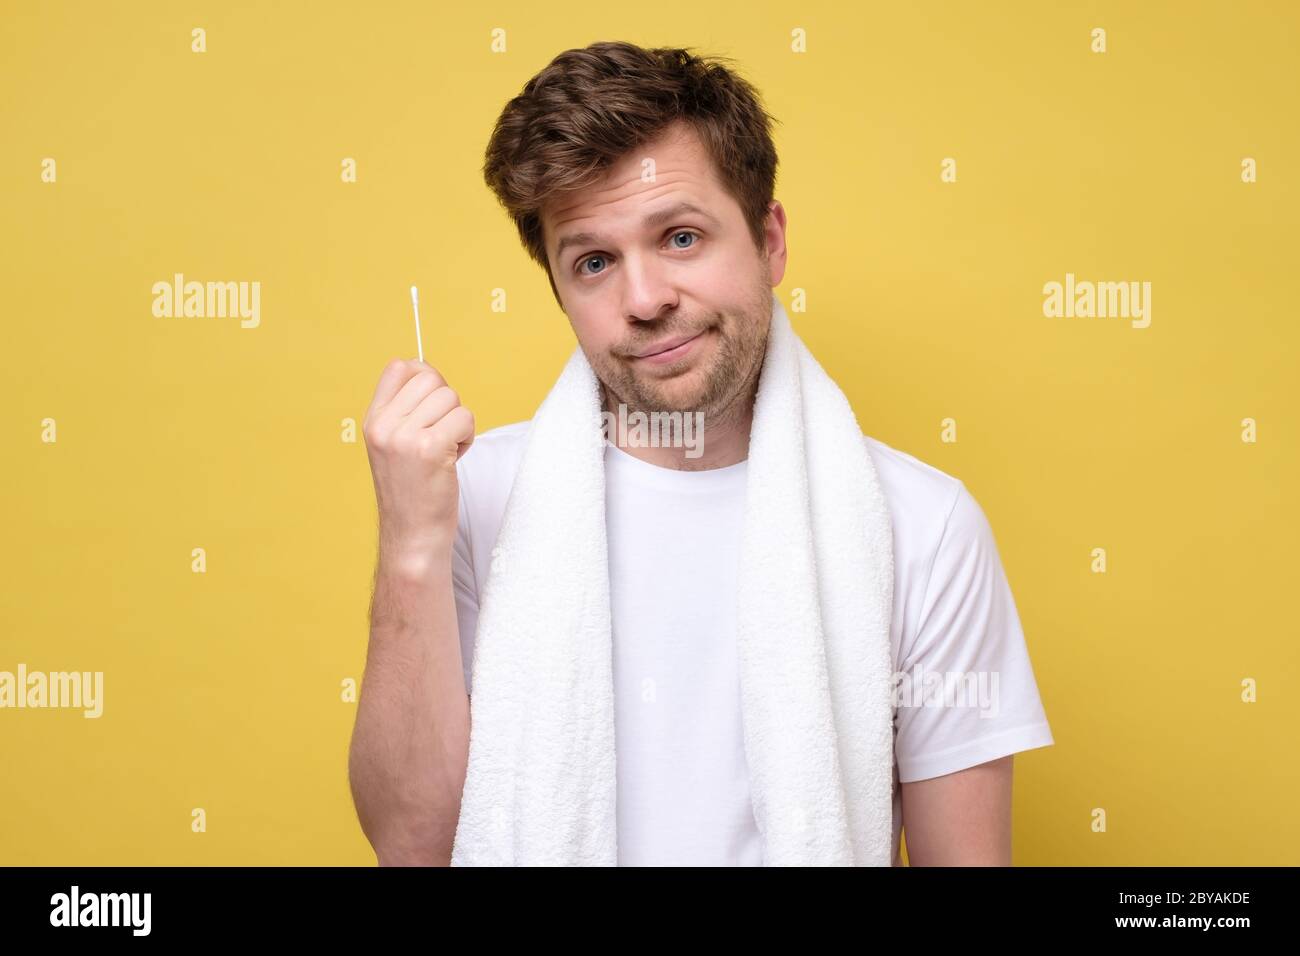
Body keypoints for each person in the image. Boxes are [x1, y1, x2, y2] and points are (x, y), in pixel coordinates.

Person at [347, 40, 1053, 867]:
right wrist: (412, 547)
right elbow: (413, 846)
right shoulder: (470, 498)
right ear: (559, 290)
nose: (643, 301)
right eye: (595, 262)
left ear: (770, 239)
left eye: (680, 237)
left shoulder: (924, 528)